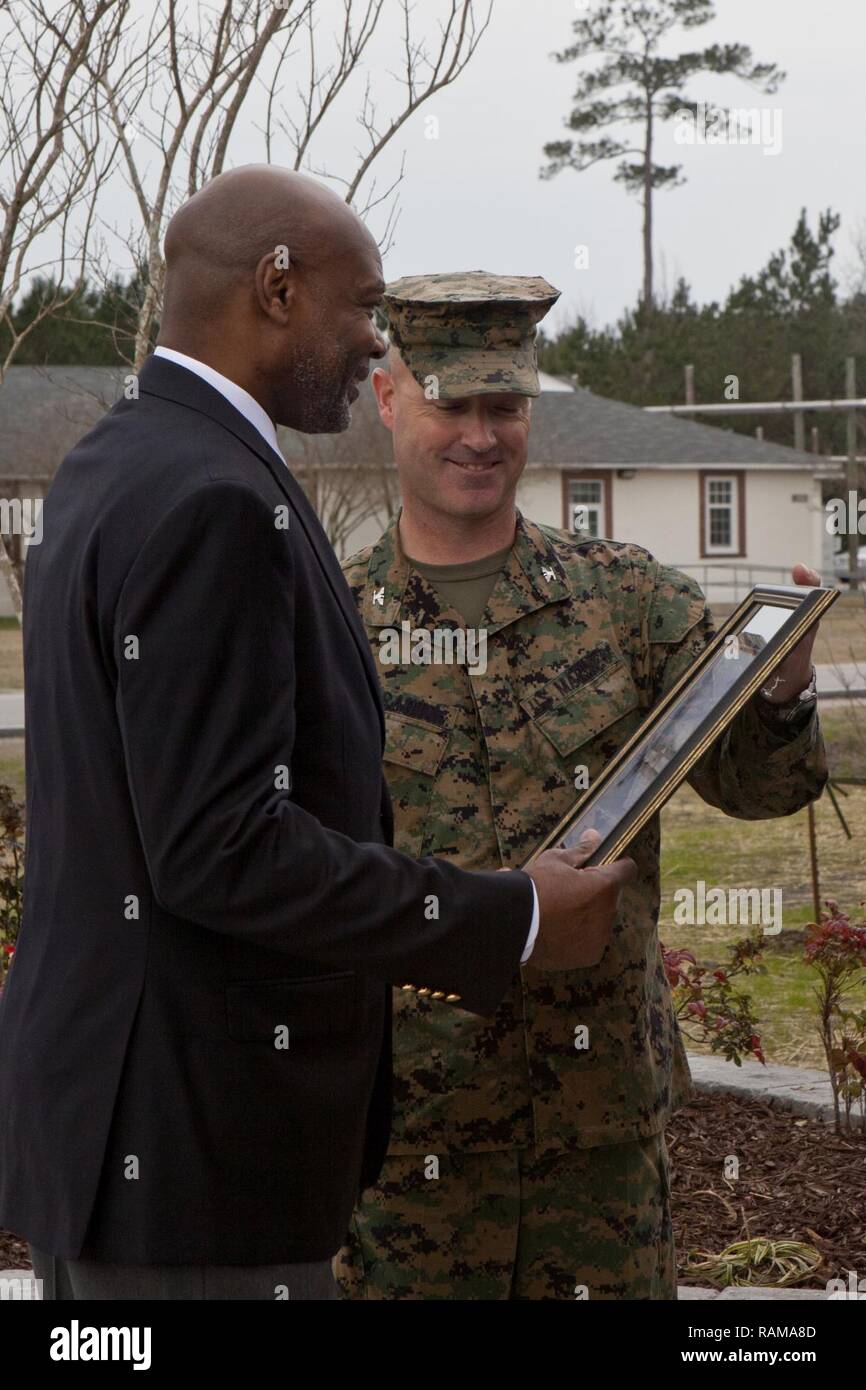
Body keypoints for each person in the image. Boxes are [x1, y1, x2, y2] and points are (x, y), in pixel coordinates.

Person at [0, 178, 635, 1301]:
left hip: (121, 1144)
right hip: (198, 1170)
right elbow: (220, 850)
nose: (374, 345)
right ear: (277, 286)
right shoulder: (215, 501)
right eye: (362, 310)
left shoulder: (115, 464)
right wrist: (514, 914)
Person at [336, 270, 828, 1300]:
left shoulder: (624, 599)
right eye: (450, 403)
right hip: (410, 1145)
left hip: (595, 1141)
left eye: (503, 406)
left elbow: (751, 787)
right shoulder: (330, 626)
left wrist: (777, 694)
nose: (479, 434)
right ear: (388, 398)